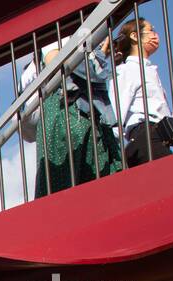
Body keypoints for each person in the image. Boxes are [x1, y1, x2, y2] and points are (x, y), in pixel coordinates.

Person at [26, 38, 121, 197]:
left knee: (98, 190)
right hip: (67, 112)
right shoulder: (57, 35)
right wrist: (95, 57)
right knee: (60, 189)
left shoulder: (78, 36)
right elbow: (55, 62)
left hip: (89, 116)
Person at [111, 18, 173, 167]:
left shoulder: (147, 69)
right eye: (151, 30)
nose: (156, 35)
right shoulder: (128, 70)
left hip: (158, 138)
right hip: (146, 137)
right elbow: (116, 113)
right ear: (134, 36)